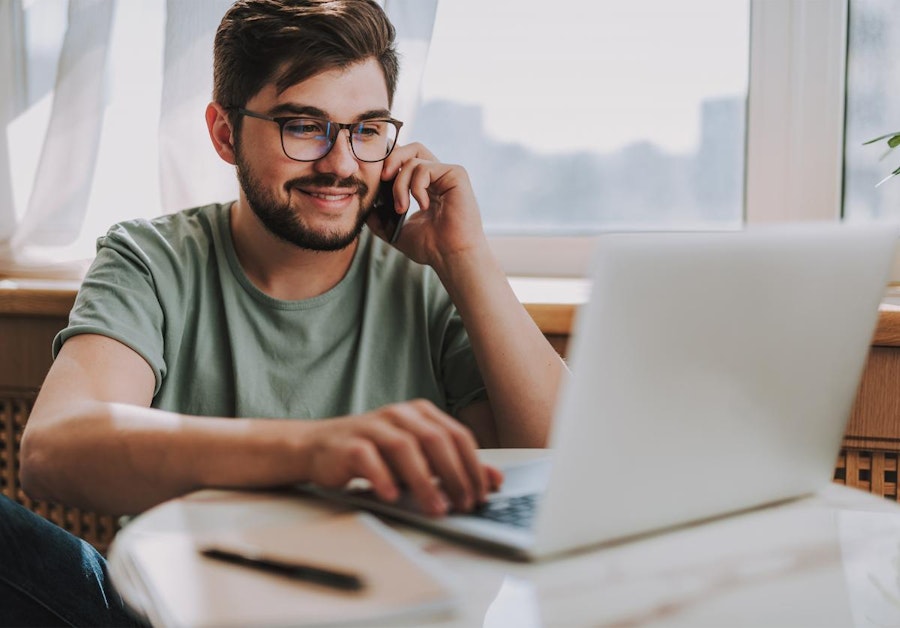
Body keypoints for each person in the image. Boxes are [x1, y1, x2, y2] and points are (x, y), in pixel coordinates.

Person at [1, 0, 565, 624]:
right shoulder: (153, 259)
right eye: (304, 125)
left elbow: (570, 469)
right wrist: (315, 452)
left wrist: (466, 258)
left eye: (368, 129)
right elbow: (54, 450)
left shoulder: (434, 275)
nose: (343, 164)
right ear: (223, 133)